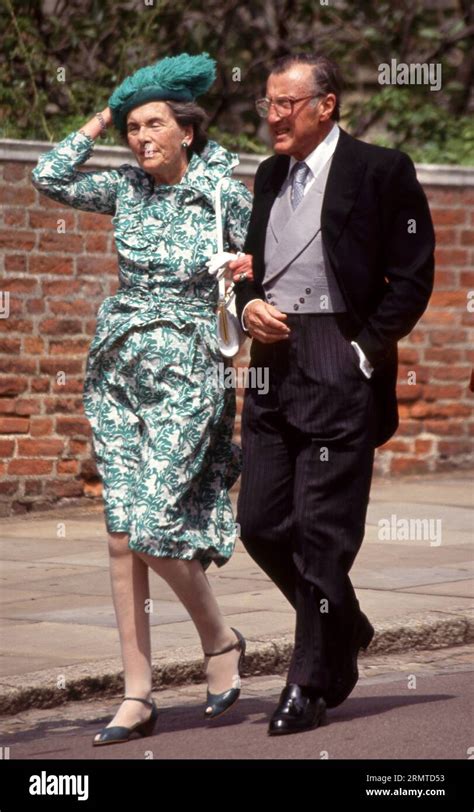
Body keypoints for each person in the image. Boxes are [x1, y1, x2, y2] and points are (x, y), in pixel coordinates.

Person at [31, 52, 252, 746]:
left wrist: (251, 278)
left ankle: (219, 640)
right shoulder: (125, 189)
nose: (140, 136)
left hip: (189, 370)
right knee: (122, 533)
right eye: (131, 126)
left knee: (156, 522)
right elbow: (48, 176)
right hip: (119, 368)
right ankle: (137, 692)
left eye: (153, 123)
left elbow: (274, 270)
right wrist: (102, 110)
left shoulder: (225, 194)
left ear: (188, 130)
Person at [229, 53, 435, 735]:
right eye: (269, 104)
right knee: (260, 524)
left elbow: (412, 276)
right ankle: (342, 622)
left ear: (328, 105)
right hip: (274, 360)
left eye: (288, 103)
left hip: (338, 357)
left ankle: (311, 681)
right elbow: (250, 264)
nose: (275, 116)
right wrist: (250, 300)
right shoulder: (267, 174)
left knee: (321, 534)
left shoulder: (381, 170)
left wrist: (360, 351)